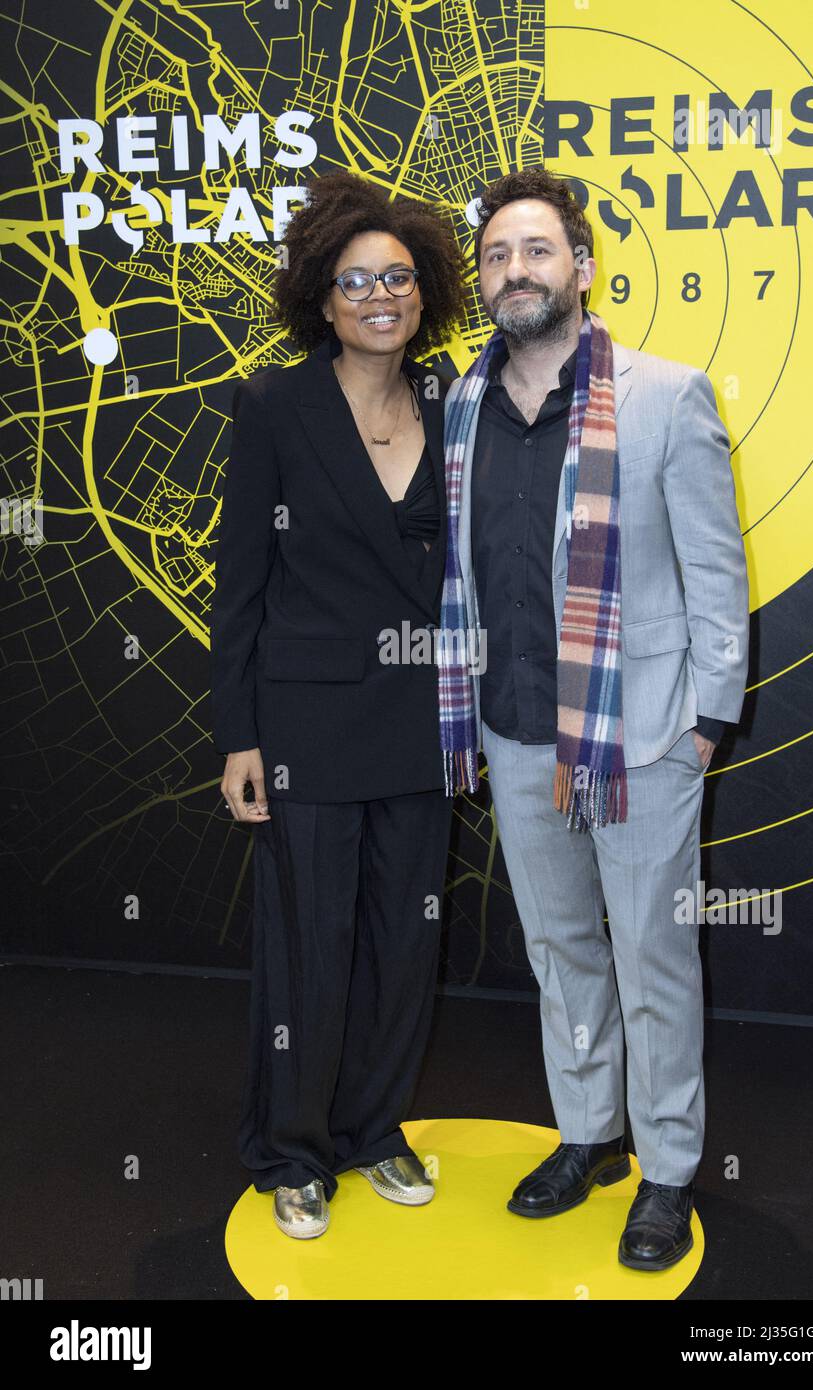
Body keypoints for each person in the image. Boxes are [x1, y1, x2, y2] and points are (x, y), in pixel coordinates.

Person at [437, 168, 750, 1271]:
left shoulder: (665, 394)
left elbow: (715, 567)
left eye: (534, 250)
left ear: (579, 266)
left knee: (654, 956)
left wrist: (709, 717)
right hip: (515, 730)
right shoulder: (462, 404)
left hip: (645, 736)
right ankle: (590, 1135)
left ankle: (665, 1168)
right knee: (561, 951)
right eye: (494, 256)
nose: (513, 270)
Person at [210, 171, 468, 1238]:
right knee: (307, 942)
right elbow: (239, 583)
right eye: (354, 279)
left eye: (396, 278)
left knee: (404, 941)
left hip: (421, 719)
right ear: (322, 297)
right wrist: (239, 736)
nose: (377, 295)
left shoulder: (457, 401)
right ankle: (292, 1150)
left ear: (423, 293)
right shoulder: (275, 404)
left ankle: (374, 1131)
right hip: (306, 723)